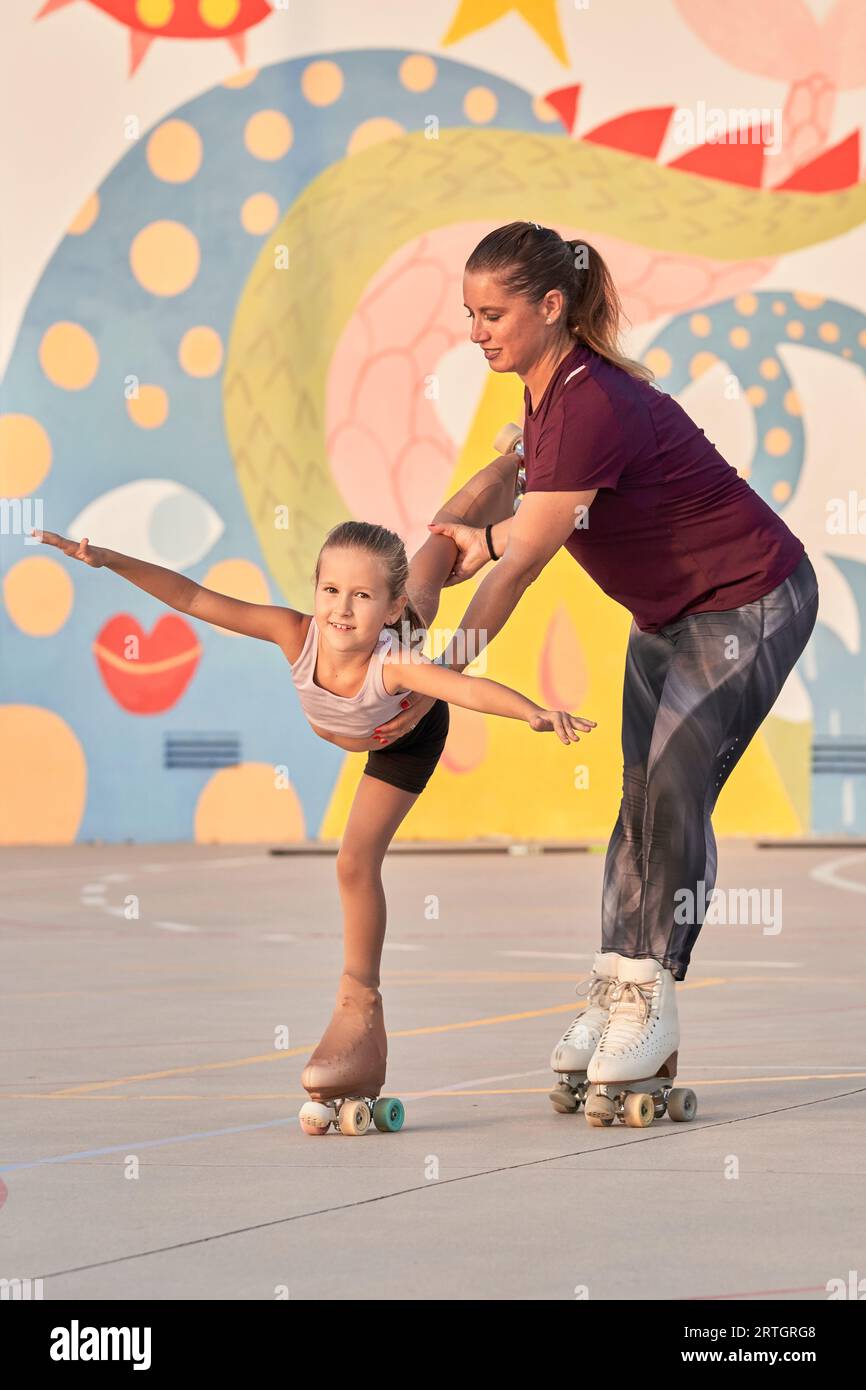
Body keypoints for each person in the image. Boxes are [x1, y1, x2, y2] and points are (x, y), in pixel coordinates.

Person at [31, 451, 597, 1133]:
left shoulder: (397, 663)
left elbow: (467, 690)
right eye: (331, 591)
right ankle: (514, 457)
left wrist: (534, 711)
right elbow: (192, 598)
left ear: (381, 609)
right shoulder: (292, 632)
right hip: (389, 667)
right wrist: (110, 559)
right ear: (315, 589)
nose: (342, 609)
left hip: (405, 732)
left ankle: (358, 1004)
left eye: (361, 597)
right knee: (445, 537)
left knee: (356, 856)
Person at [407, 219, 819, 1124]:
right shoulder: (548, 391)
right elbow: (504, 481)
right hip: (671, 615)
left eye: (494, 314)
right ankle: (616, 983)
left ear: (551, 307)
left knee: (675, 790)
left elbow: (520, 562)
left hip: (751, 599)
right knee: (636, 798)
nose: (478, 331)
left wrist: (442, 671)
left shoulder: (590, 398)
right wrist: (432, 560)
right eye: (470, 314)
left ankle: (653, 999)